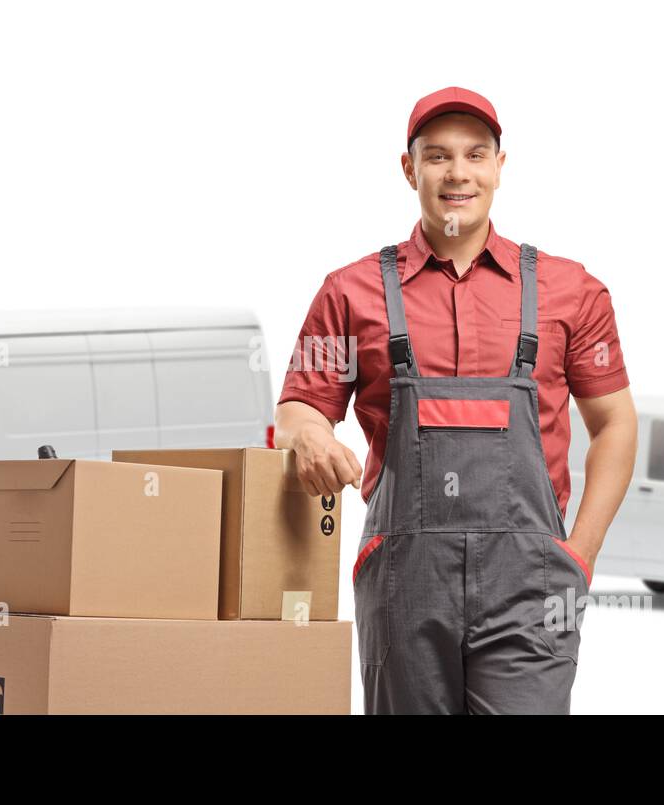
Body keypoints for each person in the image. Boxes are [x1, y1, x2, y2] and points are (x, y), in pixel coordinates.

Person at [273, 87, 638, 714]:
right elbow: (300, 407)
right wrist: (308, 433)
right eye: (437, 156)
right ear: (409, 168)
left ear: (499, 165)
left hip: (532, 585)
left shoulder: (570, 290)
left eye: (475, 154)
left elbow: (615, 425)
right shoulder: (348, 292)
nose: (458, 173)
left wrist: (580, 555)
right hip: (404, 581)